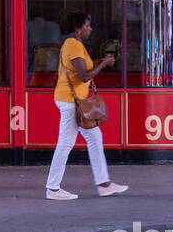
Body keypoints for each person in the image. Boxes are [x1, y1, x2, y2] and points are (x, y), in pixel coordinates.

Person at [45, 12, 128, 200]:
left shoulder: (75, 45)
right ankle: (53, 188)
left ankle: (104, 184)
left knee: (95, 137)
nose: (90, 28)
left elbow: (83, 69)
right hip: (69, 101)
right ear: (78, 28)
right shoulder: (73, 45)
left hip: (74, 101)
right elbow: (84, 76)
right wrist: (104, 63)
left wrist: (98, 62)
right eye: (87, 25)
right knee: (66, 143)